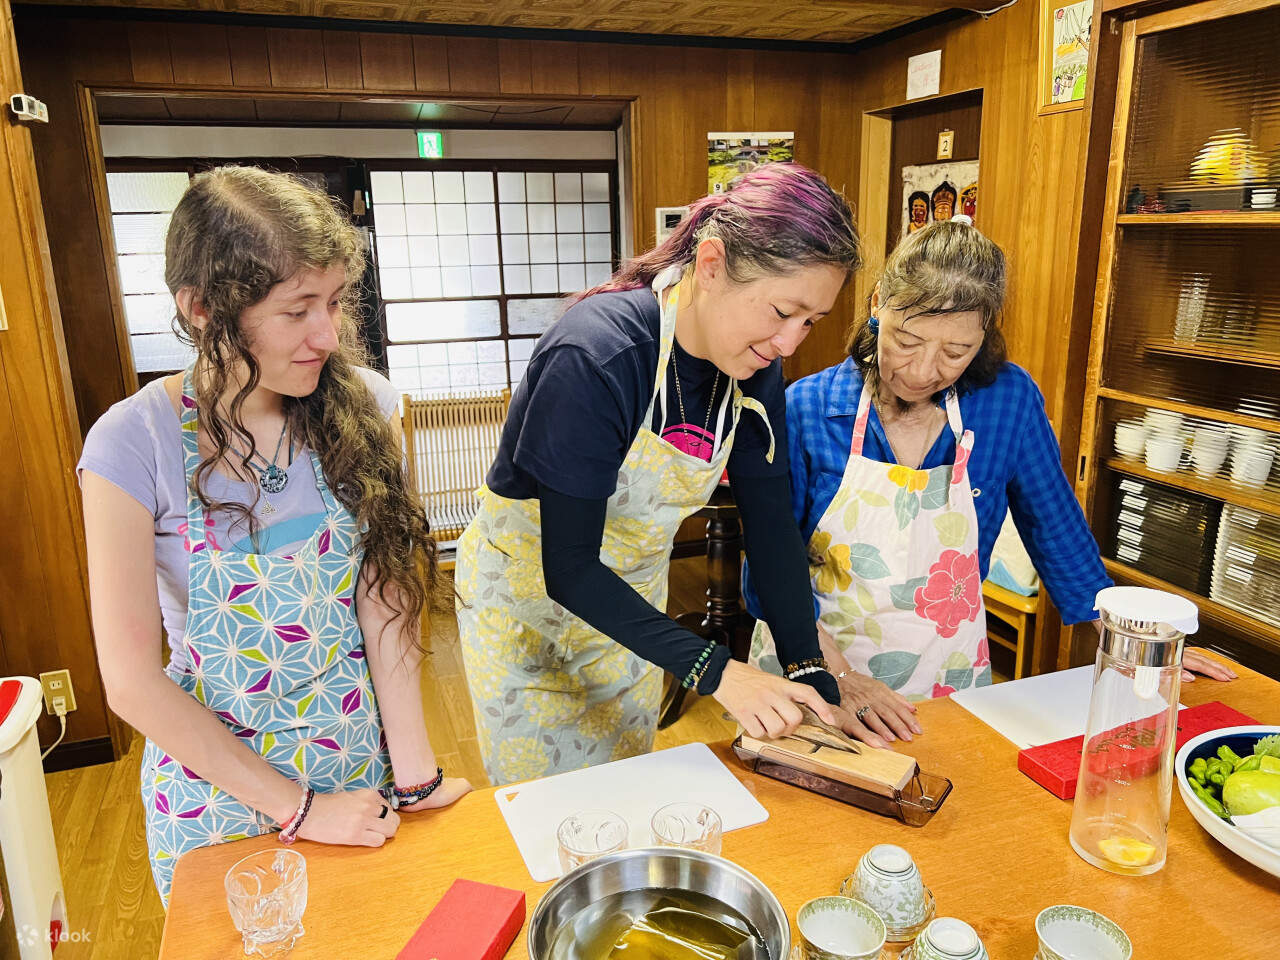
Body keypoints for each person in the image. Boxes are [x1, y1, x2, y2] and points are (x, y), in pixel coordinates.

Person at [79, 167, 469, 904]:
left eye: (335, 301)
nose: (328, 335)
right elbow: (131, 682)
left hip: (355, 756)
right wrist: (299, 809)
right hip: (217, 789)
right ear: (200, 308)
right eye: (296, 311)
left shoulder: (366, 405)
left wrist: (415, 777)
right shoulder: (133, 442)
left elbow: (385, 599)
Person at [743, 217, 1235, 749]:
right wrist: (836, 676)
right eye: (905, 340)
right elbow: (769, 570)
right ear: (878, 303)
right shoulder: (808, 408)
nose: (922, 371)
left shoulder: (1007, 401)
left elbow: (1056, 527)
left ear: (984, 336)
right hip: (814, 666)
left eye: (955, 352)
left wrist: (1134, 645)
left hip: (943, 668)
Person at [455, 163, 861, 785]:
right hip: (530, 614)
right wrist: (718, 671)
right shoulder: (597, 355)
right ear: (712, 264)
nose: (789, 343)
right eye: (783, 311)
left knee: (626, 789)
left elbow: (771, 525)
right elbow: (569, 568)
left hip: (632, 618)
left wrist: (808, 666)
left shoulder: (753, 366)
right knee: (549, 810)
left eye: (810, 322)